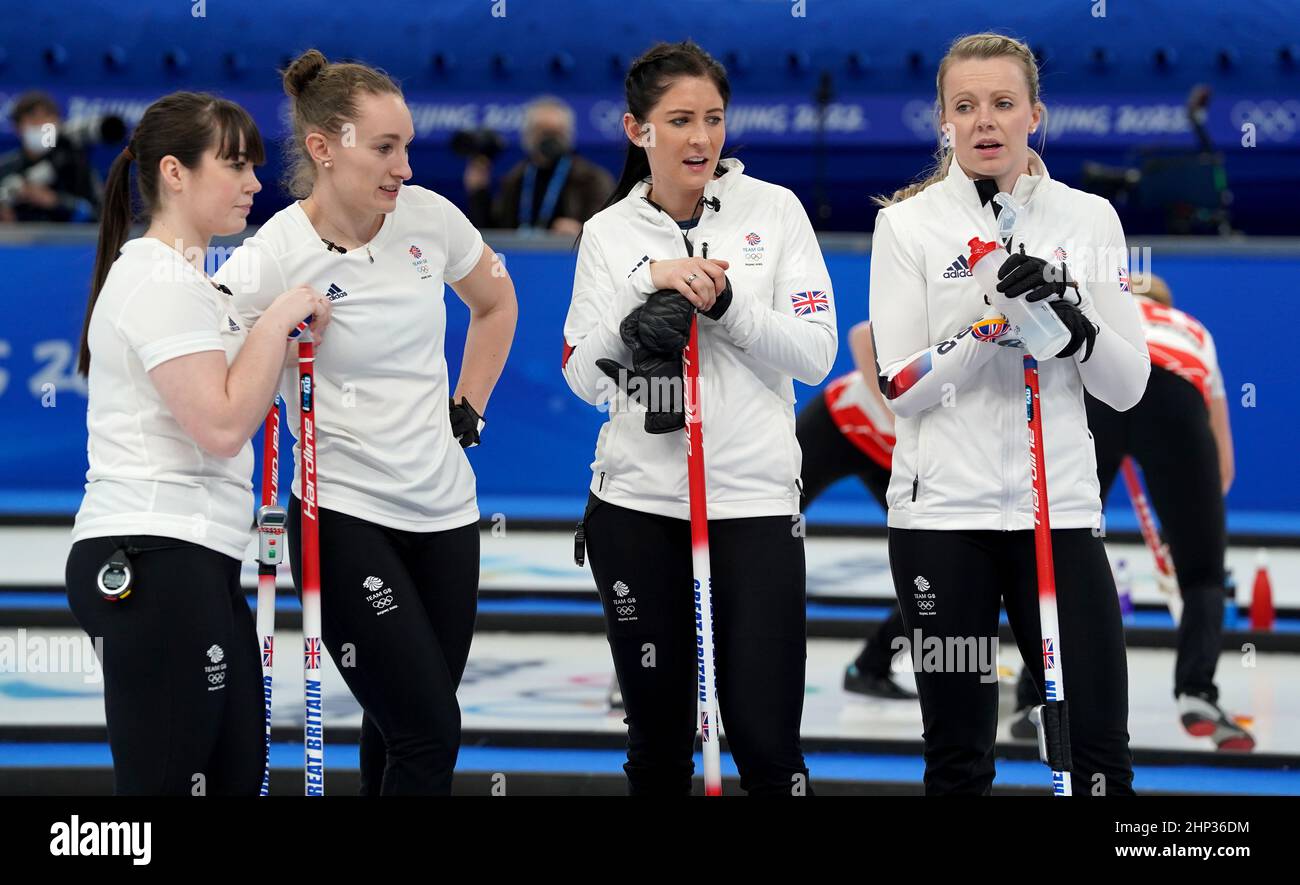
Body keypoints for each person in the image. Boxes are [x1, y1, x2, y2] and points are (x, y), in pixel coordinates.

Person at [217, 49, 518, 796]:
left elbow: (496, 301)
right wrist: (278, 325)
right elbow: (217, 380)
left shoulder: (430, 219)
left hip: (446, 511)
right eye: (385, 148)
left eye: (407, 146)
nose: (404, 167)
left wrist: (468, 406)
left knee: (402, 728)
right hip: (340, 515)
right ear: (324, 148)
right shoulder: (273, 256)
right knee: (430, 731)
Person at [868, 32, 1150, 795]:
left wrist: (1078, 323)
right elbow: (898, 383)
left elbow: (1127, 387)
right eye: (965, 106)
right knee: (959, 757)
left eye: (1001, 104)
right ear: (943, 123)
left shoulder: (1088, 218)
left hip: (1055, 516)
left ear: (1035, 116)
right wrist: (990, 318)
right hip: (942, 527)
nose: (984, 121)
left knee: (1097, 756)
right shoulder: (908, 226)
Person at [563, 40, 837, 796]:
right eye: (679, 120)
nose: (700, 138)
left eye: (713, 118)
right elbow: (584, 376)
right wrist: (638, 296)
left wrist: (729, 305)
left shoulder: (775, 212)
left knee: (766, 744)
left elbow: (816, 353)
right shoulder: (608, 234)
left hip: (752, 504)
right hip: (639, 506)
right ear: (636, 129)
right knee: (657, 743)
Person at [65, 92, 332, 795]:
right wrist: (275, 320)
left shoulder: (191, 284)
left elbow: (235, 403)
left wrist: (278, 339)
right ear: (175, 173)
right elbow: (218, 426)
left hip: (192, 558)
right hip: (153, 553)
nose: (253, 183)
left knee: (232, 775)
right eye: (235, 165)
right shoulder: (156, 278)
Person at [1010, 273, 1252, 750]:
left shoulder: (1107, 311)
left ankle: (1036, 696)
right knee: (1203, 574)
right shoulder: (1192, 329)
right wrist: (1194, 522)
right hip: (1177, 401)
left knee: (1057, 554)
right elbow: (1223, 460)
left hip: (1106, 387)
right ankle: (1197, 691)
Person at [794, 320, 914, 700]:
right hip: (839, 422)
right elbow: (862, 335)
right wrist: (891, 409)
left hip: (895, 454)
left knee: (936, 570)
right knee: (758, 534)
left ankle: (870, 667)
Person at [464, 95, 614, 235]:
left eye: (556, 132)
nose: (549, 139)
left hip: (569, 258)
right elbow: (493, 235)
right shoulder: (515, 179)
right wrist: (479, 193)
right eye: (542, 131)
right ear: (528, 134)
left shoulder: (591, 180)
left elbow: (610, 234)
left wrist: (581, 232)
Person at [0, 91, 103, 222]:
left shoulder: (76, 165)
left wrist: (56, 201)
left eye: (47, 118)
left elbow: (98, 216)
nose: (41, 125)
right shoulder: (5, 167)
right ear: (17, 127)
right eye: (33, 119)